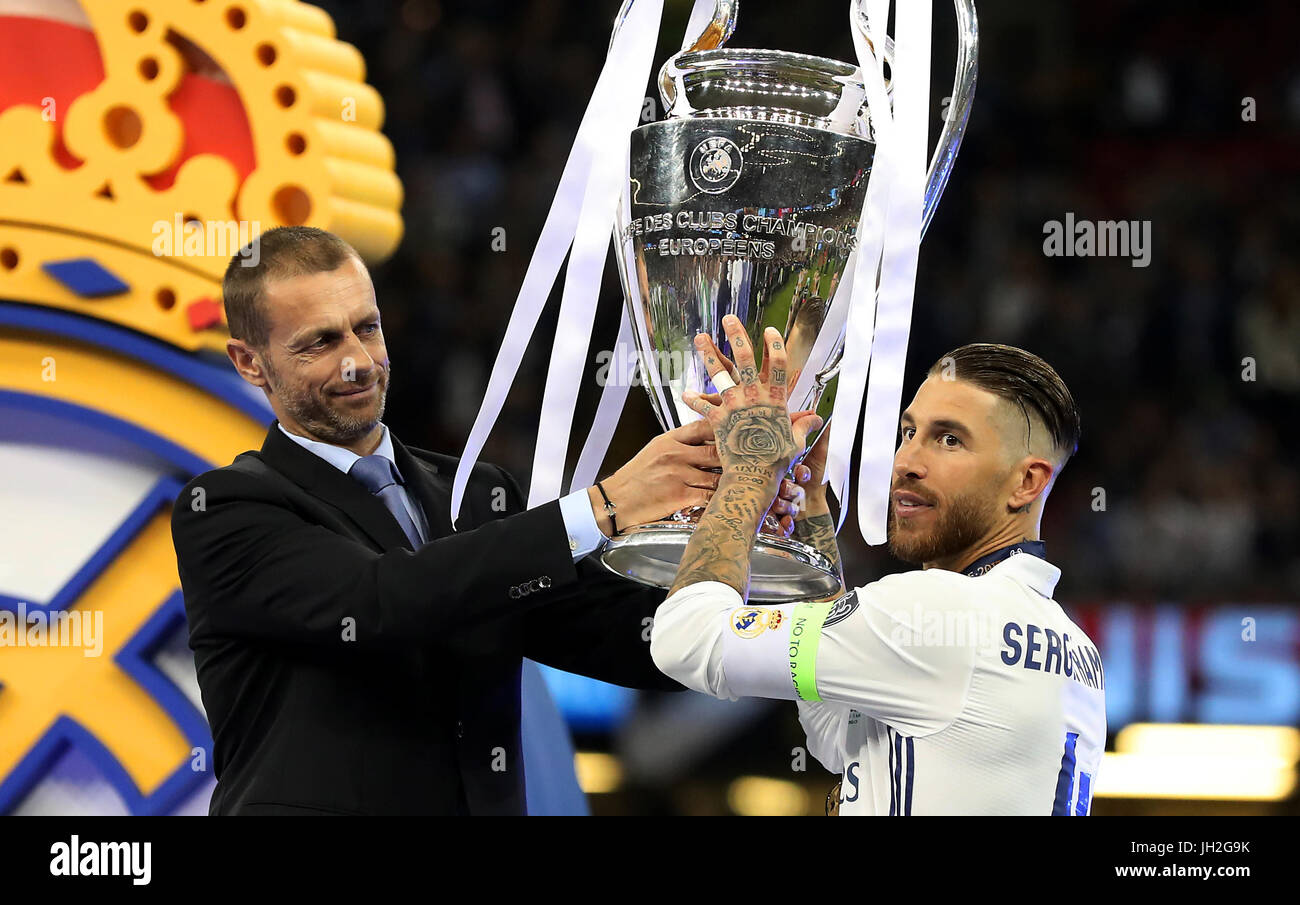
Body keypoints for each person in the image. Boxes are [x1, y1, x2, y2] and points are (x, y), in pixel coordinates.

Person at [171, 228, 808, 815]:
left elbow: (642, 645)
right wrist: (605, 505)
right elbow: (380, 602)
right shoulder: (227, 510)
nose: (358, 361)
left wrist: (740, 516)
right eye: (320, 342)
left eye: (367, 328)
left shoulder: (476, 494)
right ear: (249, 362)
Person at [650, 317, 1105, 815]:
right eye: (909, 432)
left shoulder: (934, 609)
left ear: (1027, 483)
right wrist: (807, 514)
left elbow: (685, 640)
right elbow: (837, 736)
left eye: (950, 440)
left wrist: (749, 473)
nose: (906, 461)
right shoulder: (1075, 648)